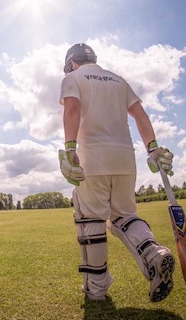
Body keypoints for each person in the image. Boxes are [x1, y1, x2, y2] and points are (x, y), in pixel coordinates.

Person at [59, 42, 176, 302]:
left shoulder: (73, 77)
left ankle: (96, 288)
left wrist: (69, 147)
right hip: (125, 159)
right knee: (125, 215)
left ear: (72, 63)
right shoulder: (118, 80)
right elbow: (140, 114)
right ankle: (154, 253)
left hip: (93, 159)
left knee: (90, 219)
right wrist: (153, 148)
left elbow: (72, 108)